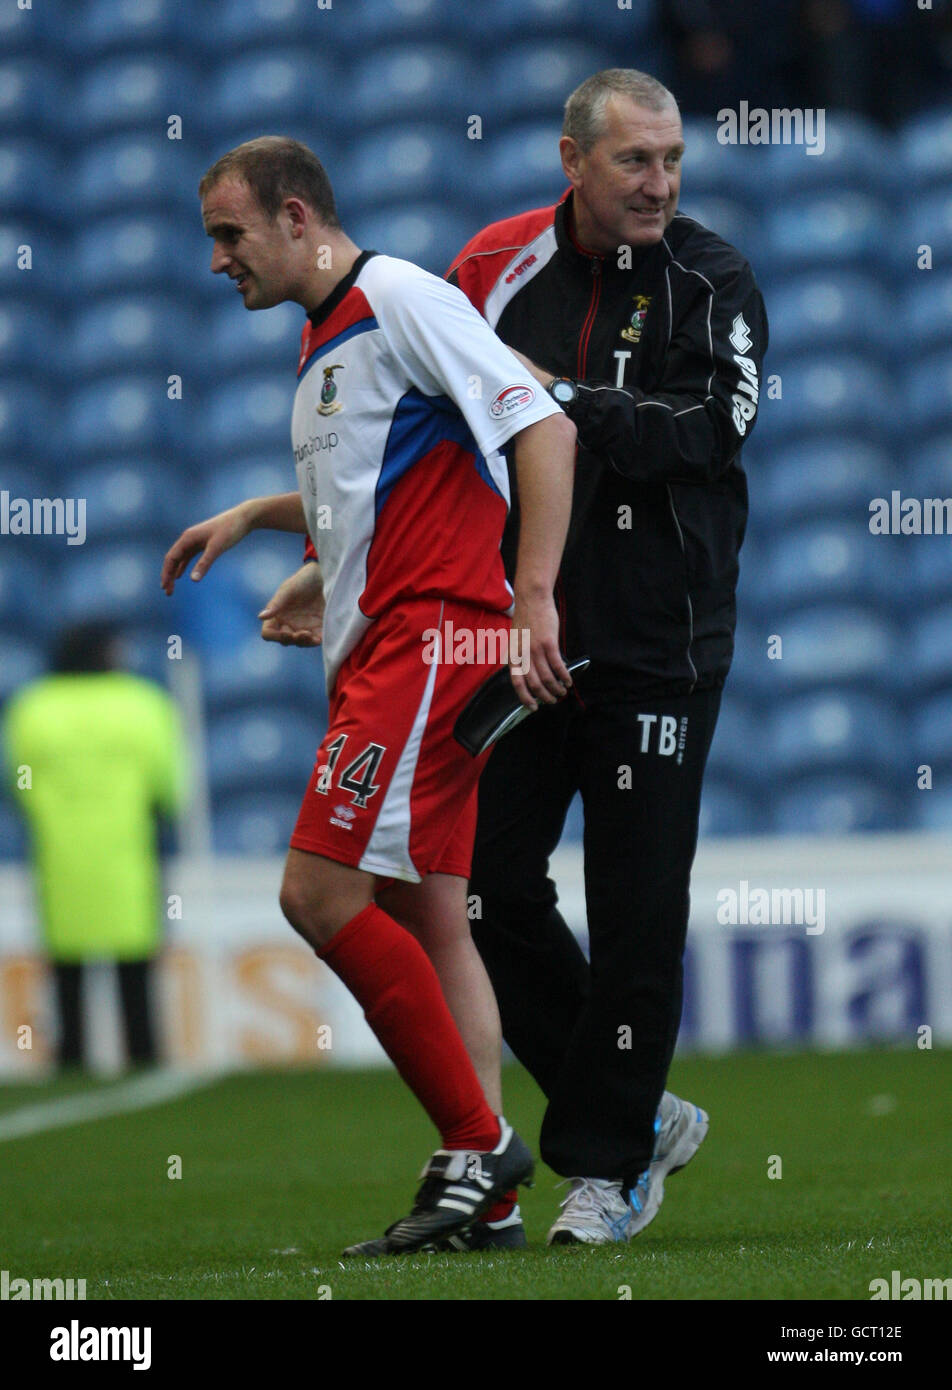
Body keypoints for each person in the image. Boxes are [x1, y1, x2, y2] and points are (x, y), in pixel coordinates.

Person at [161, 137, 578, 1256]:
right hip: (396, 645)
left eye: (228, 234)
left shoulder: (398, 295)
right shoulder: (323, 336)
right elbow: (379, 485)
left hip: (429, 644)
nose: (217, 260)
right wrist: (267, 521)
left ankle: (477, 1140)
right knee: (427, 914)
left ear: (297, 217)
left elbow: (541, 424)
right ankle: (479, 1193)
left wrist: (533, 597)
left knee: (315, 894)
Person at [445, 69, 769, 1244]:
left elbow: (710, 432)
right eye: (635, 160)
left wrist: (557, 398)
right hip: (523, 637)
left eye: (673, 159)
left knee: (635, 911)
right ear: (571, 160)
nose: (660, 182)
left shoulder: (712, 276)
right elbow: (432, 422)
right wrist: (328, 554)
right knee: (483, 888)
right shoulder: (491, 268)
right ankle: (633, 1110)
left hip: (659, 644)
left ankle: (603, 1162)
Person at [2, 621, 186, 1070]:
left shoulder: (32, 706)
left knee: (66, 969)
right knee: (135, 968)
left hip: (59, 854)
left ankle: (70, 1061)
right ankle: (144, 1057)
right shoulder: (143, 703)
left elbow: (17, 783)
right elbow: (169, 786)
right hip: (129, 851)